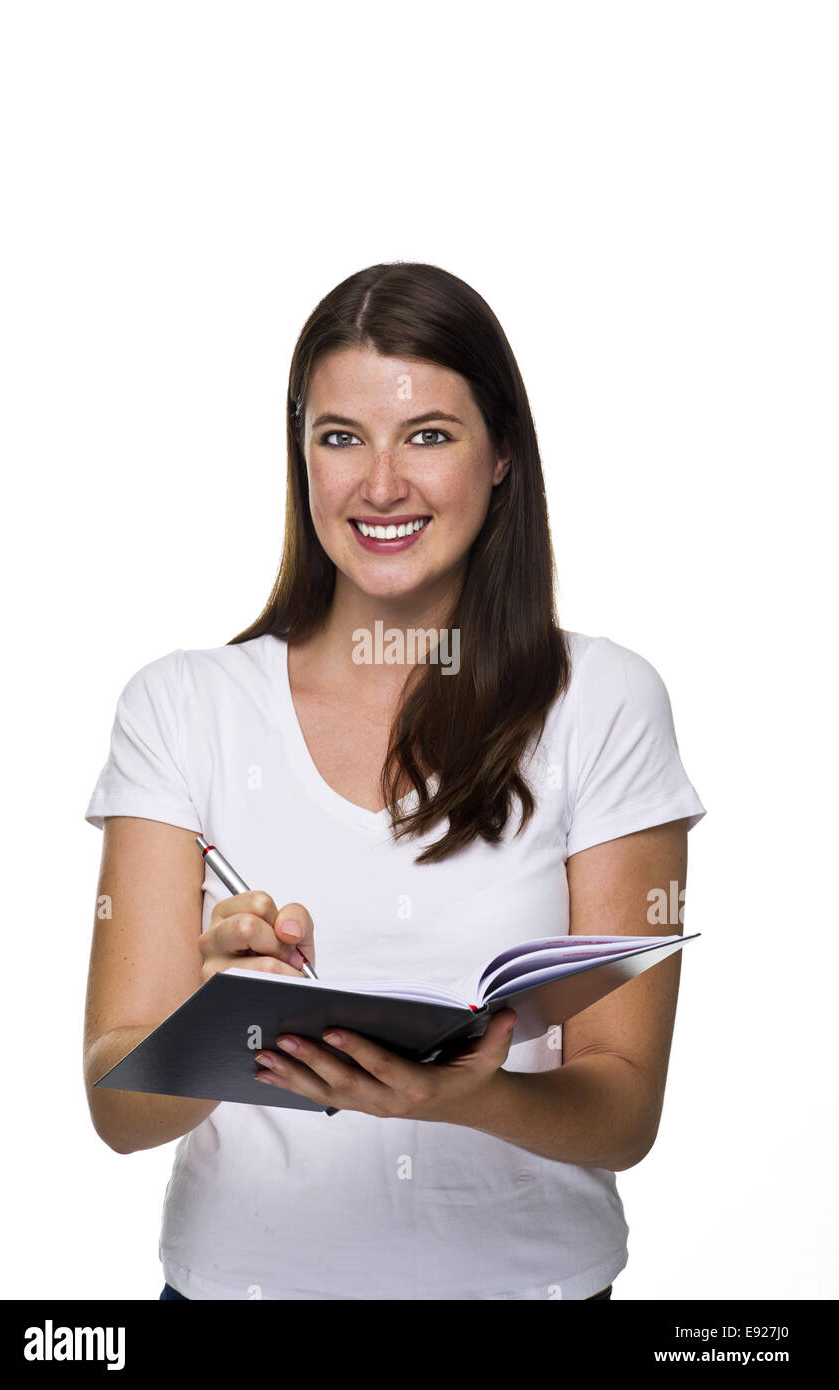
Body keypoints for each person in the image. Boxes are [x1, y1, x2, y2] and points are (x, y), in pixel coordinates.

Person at [83, 261, 706, 1301]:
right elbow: (116, 1105)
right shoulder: (182, 705)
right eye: (340, 437)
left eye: (428, 434)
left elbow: (624, 1111)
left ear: (502, 453)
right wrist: (214, 1011)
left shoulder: (603, 699)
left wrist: (456, 1096)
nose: (380, 484)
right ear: (303, 458)